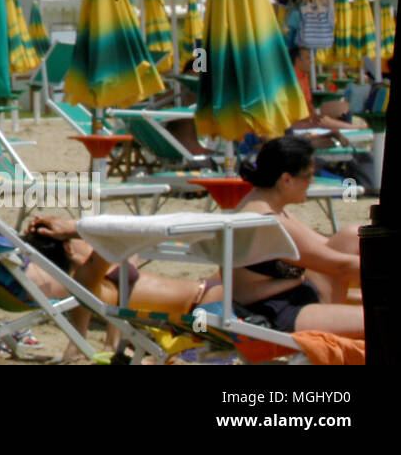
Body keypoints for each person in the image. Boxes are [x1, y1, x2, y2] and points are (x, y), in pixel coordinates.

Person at [25, 214, 223, 353]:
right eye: (85, 241)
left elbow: (121, 236)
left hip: (206, 291)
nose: (90, 242)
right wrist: (73, 228)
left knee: (239, 244)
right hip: (202, 309)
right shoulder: (85, 278)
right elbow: (112, 234)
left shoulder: (94, 274)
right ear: (69, 248)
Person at [232, 135, 363, 336]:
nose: (312, 181)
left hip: (293, 297)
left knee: (352, 236)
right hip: (277, 312)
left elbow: (325, 247)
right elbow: (341, 267)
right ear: (286, 180)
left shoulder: (266, 207)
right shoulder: (269, 222)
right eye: (308, 176)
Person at [286, 45, 357, 144]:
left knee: (343, 108)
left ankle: (354, 128)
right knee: (327, 121)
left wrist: (314, 115)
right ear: (297, 60)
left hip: (307, 117)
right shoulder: (291, 80)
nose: (311, 62)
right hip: (297, 122)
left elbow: (307, 102)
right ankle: (356, 128)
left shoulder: (303, 76)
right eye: (307, 58)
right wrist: (313, 117)